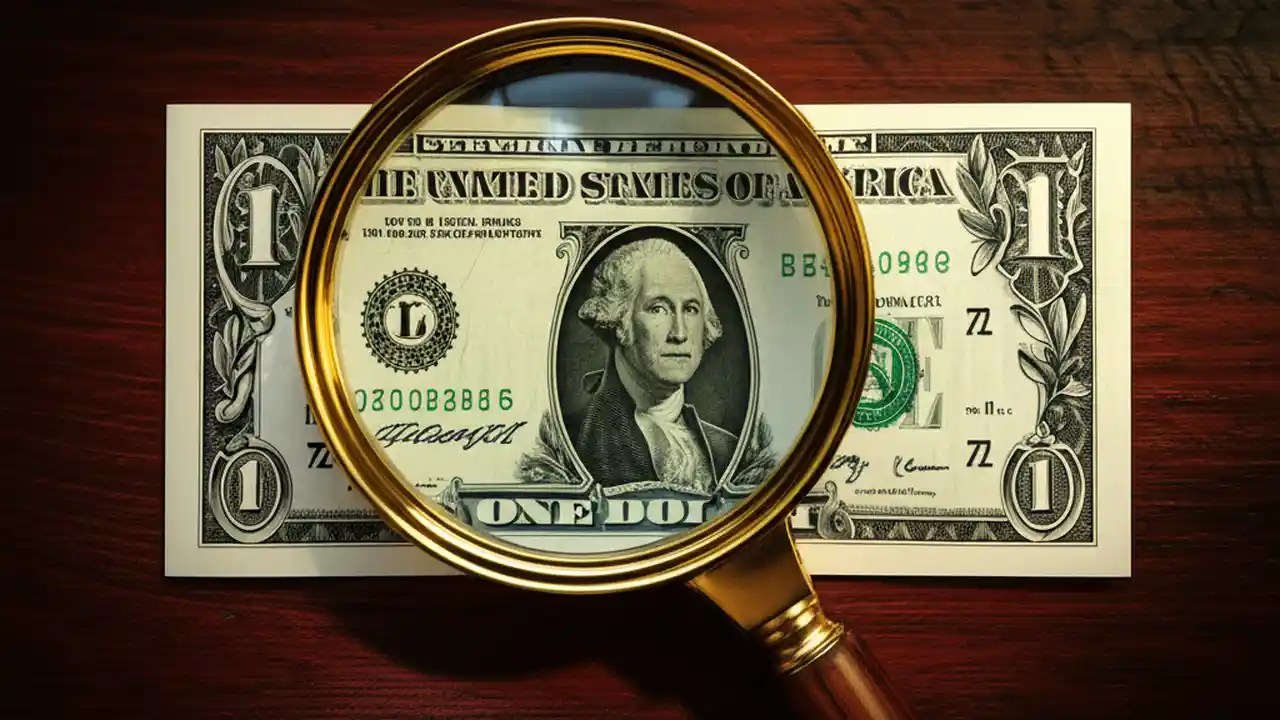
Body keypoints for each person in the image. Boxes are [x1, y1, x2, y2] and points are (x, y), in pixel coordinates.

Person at [565, 237, 739, 493]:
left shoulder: (729, 450)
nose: (679, 333)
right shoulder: (570, 443)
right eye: (658, 309)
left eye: (690, 309)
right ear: (619, 320)